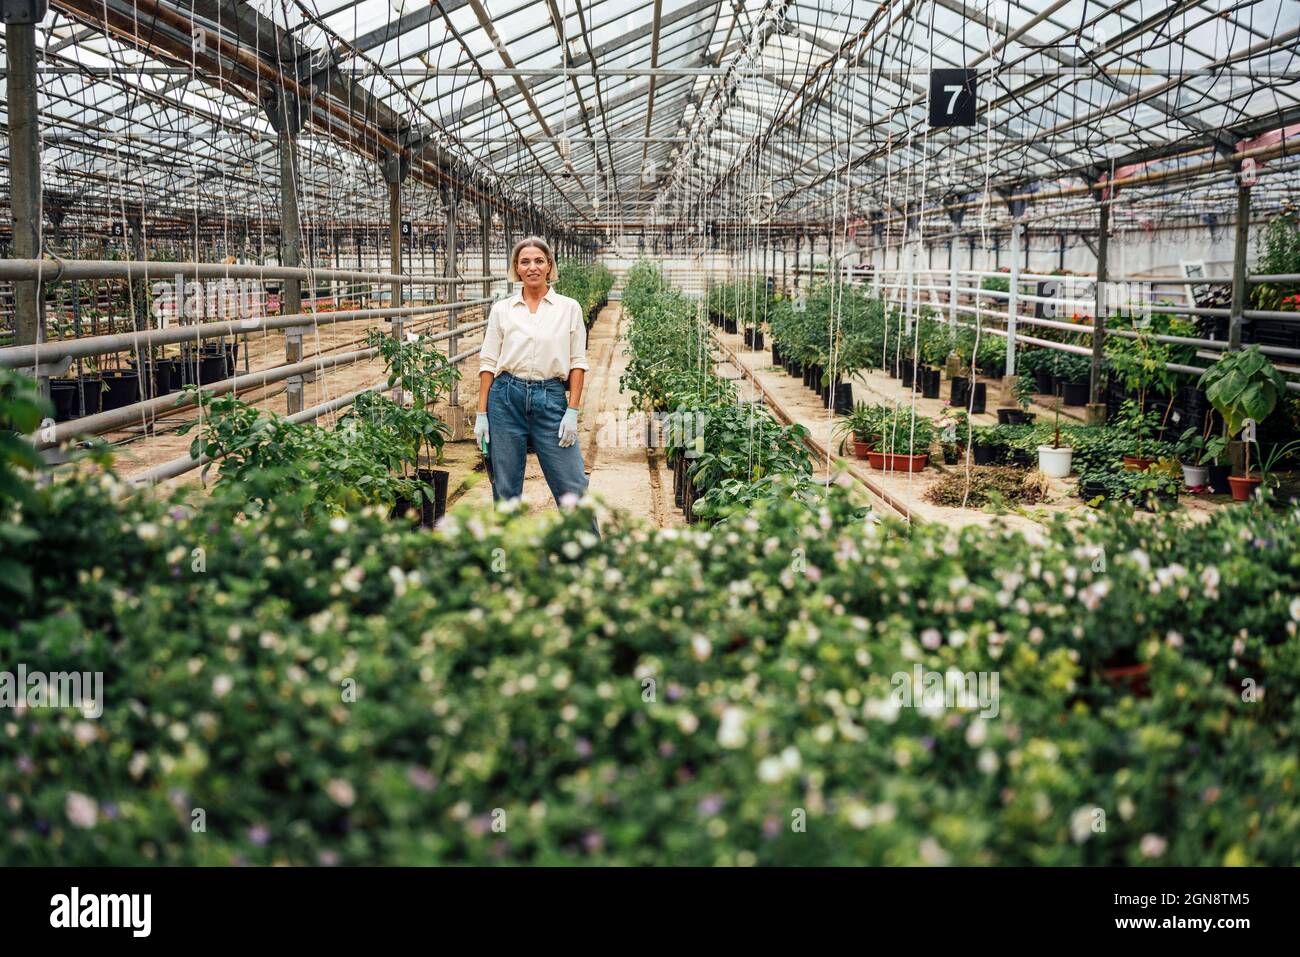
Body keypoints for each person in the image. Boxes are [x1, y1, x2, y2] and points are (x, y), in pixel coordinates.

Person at [474, 236, 591, 511]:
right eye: (525, 262)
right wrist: (482, 415)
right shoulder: (502, 310)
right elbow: (489, 362)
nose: (532, 267)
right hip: (505, 399)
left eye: (539, 261)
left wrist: (572, 411)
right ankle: (504, 554)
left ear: (549, 265)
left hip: (550, 398)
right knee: (505, 488)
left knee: (573, 486)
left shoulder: (568, 308)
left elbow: (577, 362)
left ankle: (587, 552)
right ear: (516, 267)